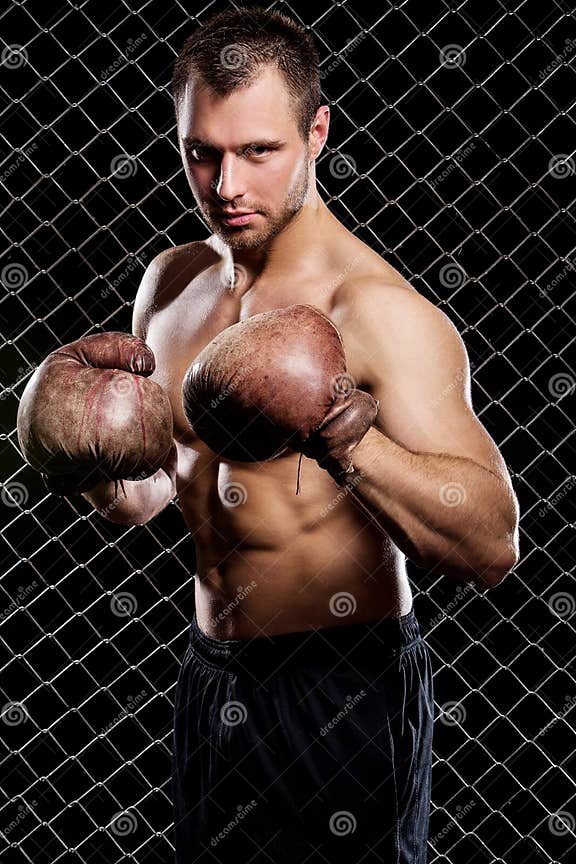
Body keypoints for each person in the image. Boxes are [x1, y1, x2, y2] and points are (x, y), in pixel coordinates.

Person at [81, 6, 520, 862]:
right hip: (212, 679)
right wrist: (92, 454)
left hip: (341, 689)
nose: (226, 186)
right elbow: (151, 493)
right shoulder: (171, 286)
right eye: (201, 152)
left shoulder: (378, 313)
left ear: (316, 132)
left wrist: (345, 437)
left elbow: (491, 543)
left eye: (258, 152)